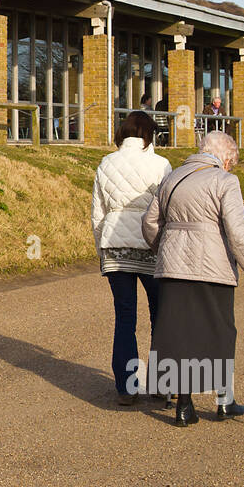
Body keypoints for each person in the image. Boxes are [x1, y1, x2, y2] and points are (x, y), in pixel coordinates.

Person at [141, 130, 244, 427]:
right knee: (219, 331)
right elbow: (238, 234)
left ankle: (184, 406)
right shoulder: (225, 181)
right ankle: (224, 401)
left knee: (180, 334)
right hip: (212, 268)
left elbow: (150, 222)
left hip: (173, 267)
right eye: (232, 162)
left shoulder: (173, 178)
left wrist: (165, 249)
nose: (231, 167)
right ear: (225, 158)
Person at [92, 111, 171, 405]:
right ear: (149, 134)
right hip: (150, 245)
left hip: (115, 246)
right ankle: (162, 382)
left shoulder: (106, 164)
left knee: (125, 317)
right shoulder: (161, 165)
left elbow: (97, 213)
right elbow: (167, 208)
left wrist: (102, 248)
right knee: (160, 315)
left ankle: (126, 387)